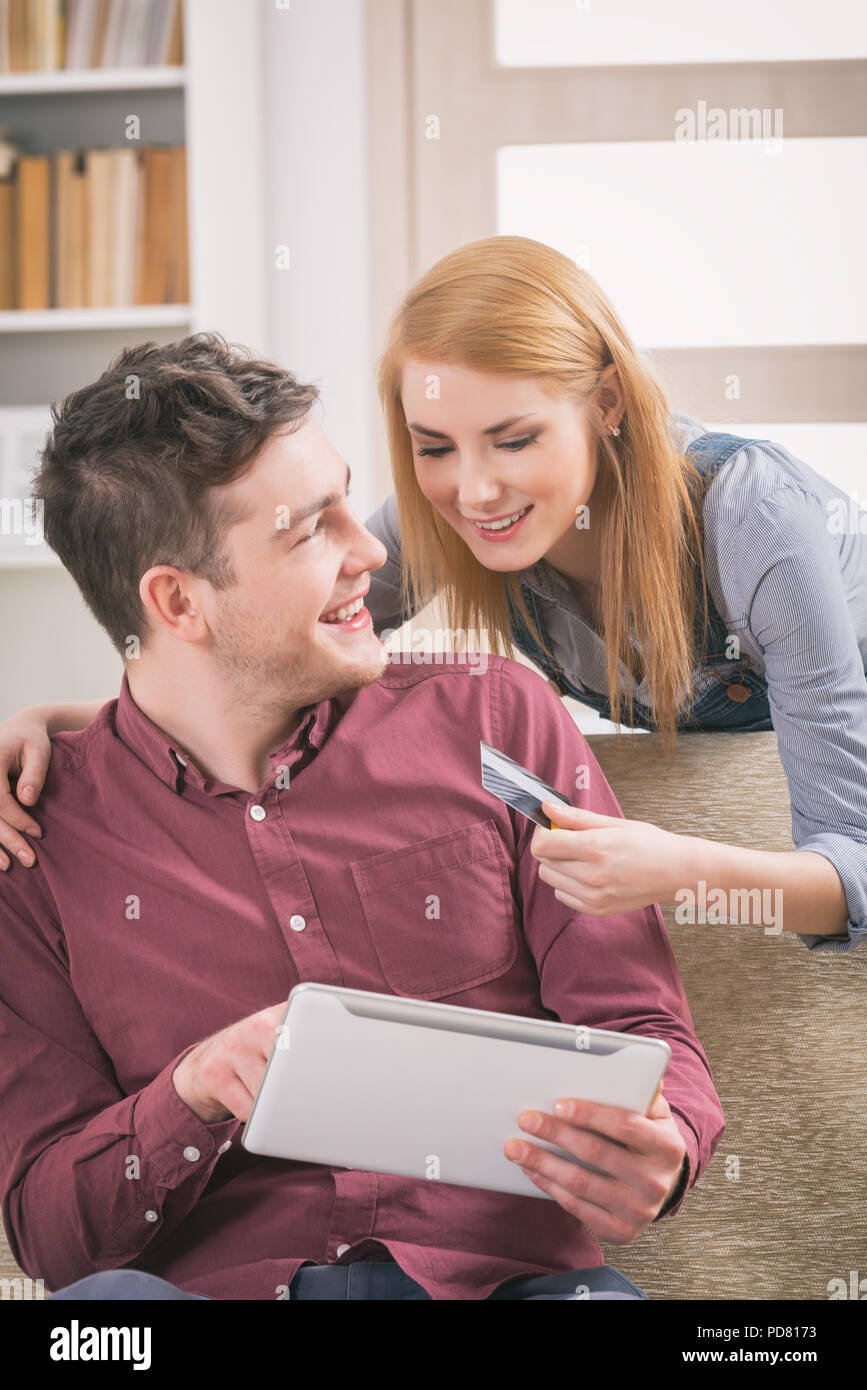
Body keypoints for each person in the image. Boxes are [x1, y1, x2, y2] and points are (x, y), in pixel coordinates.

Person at [0, 333, 723, 1301]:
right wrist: (192, 1093)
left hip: (500, 1287)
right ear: (178, 602)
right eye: (313, 530)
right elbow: (51, 1232)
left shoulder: (499, 724)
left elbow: (639, 1023)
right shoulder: (36, 843)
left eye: (351, 497)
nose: (374, 551)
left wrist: (665, 1140)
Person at [2, 238, 865, 953]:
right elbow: (260, 647)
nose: (475, 491)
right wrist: (70, 727)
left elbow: (851, 873)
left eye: (513, 439)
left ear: (605, 402)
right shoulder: (446, 516)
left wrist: (676, 873)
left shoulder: (753, 519)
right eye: (435, 447)